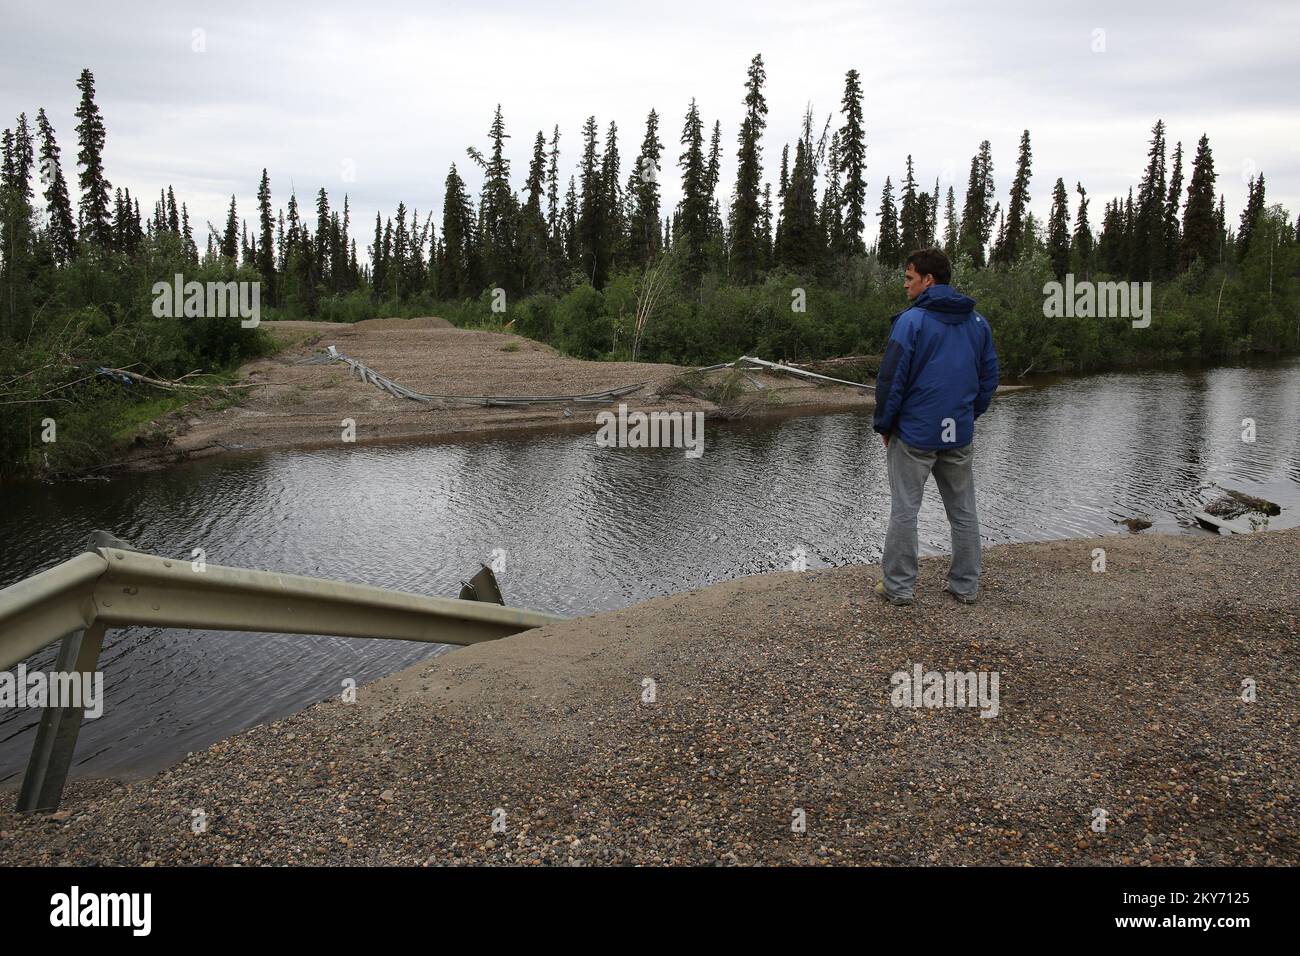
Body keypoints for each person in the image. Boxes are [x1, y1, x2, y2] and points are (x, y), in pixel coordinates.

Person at [872, 247, 999, 606]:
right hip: (956, 432)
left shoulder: (911, 322)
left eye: (909, 278)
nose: (905, 285)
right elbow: (989, 378)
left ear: (928, 280)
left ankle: (898, 587)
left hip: (914, 434)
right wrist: (968, 415)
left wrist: (885, 425)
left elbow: (891, 380)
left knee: (904, 510)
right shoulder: (978, 322)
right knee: (963, 511)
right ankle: (965, 586)